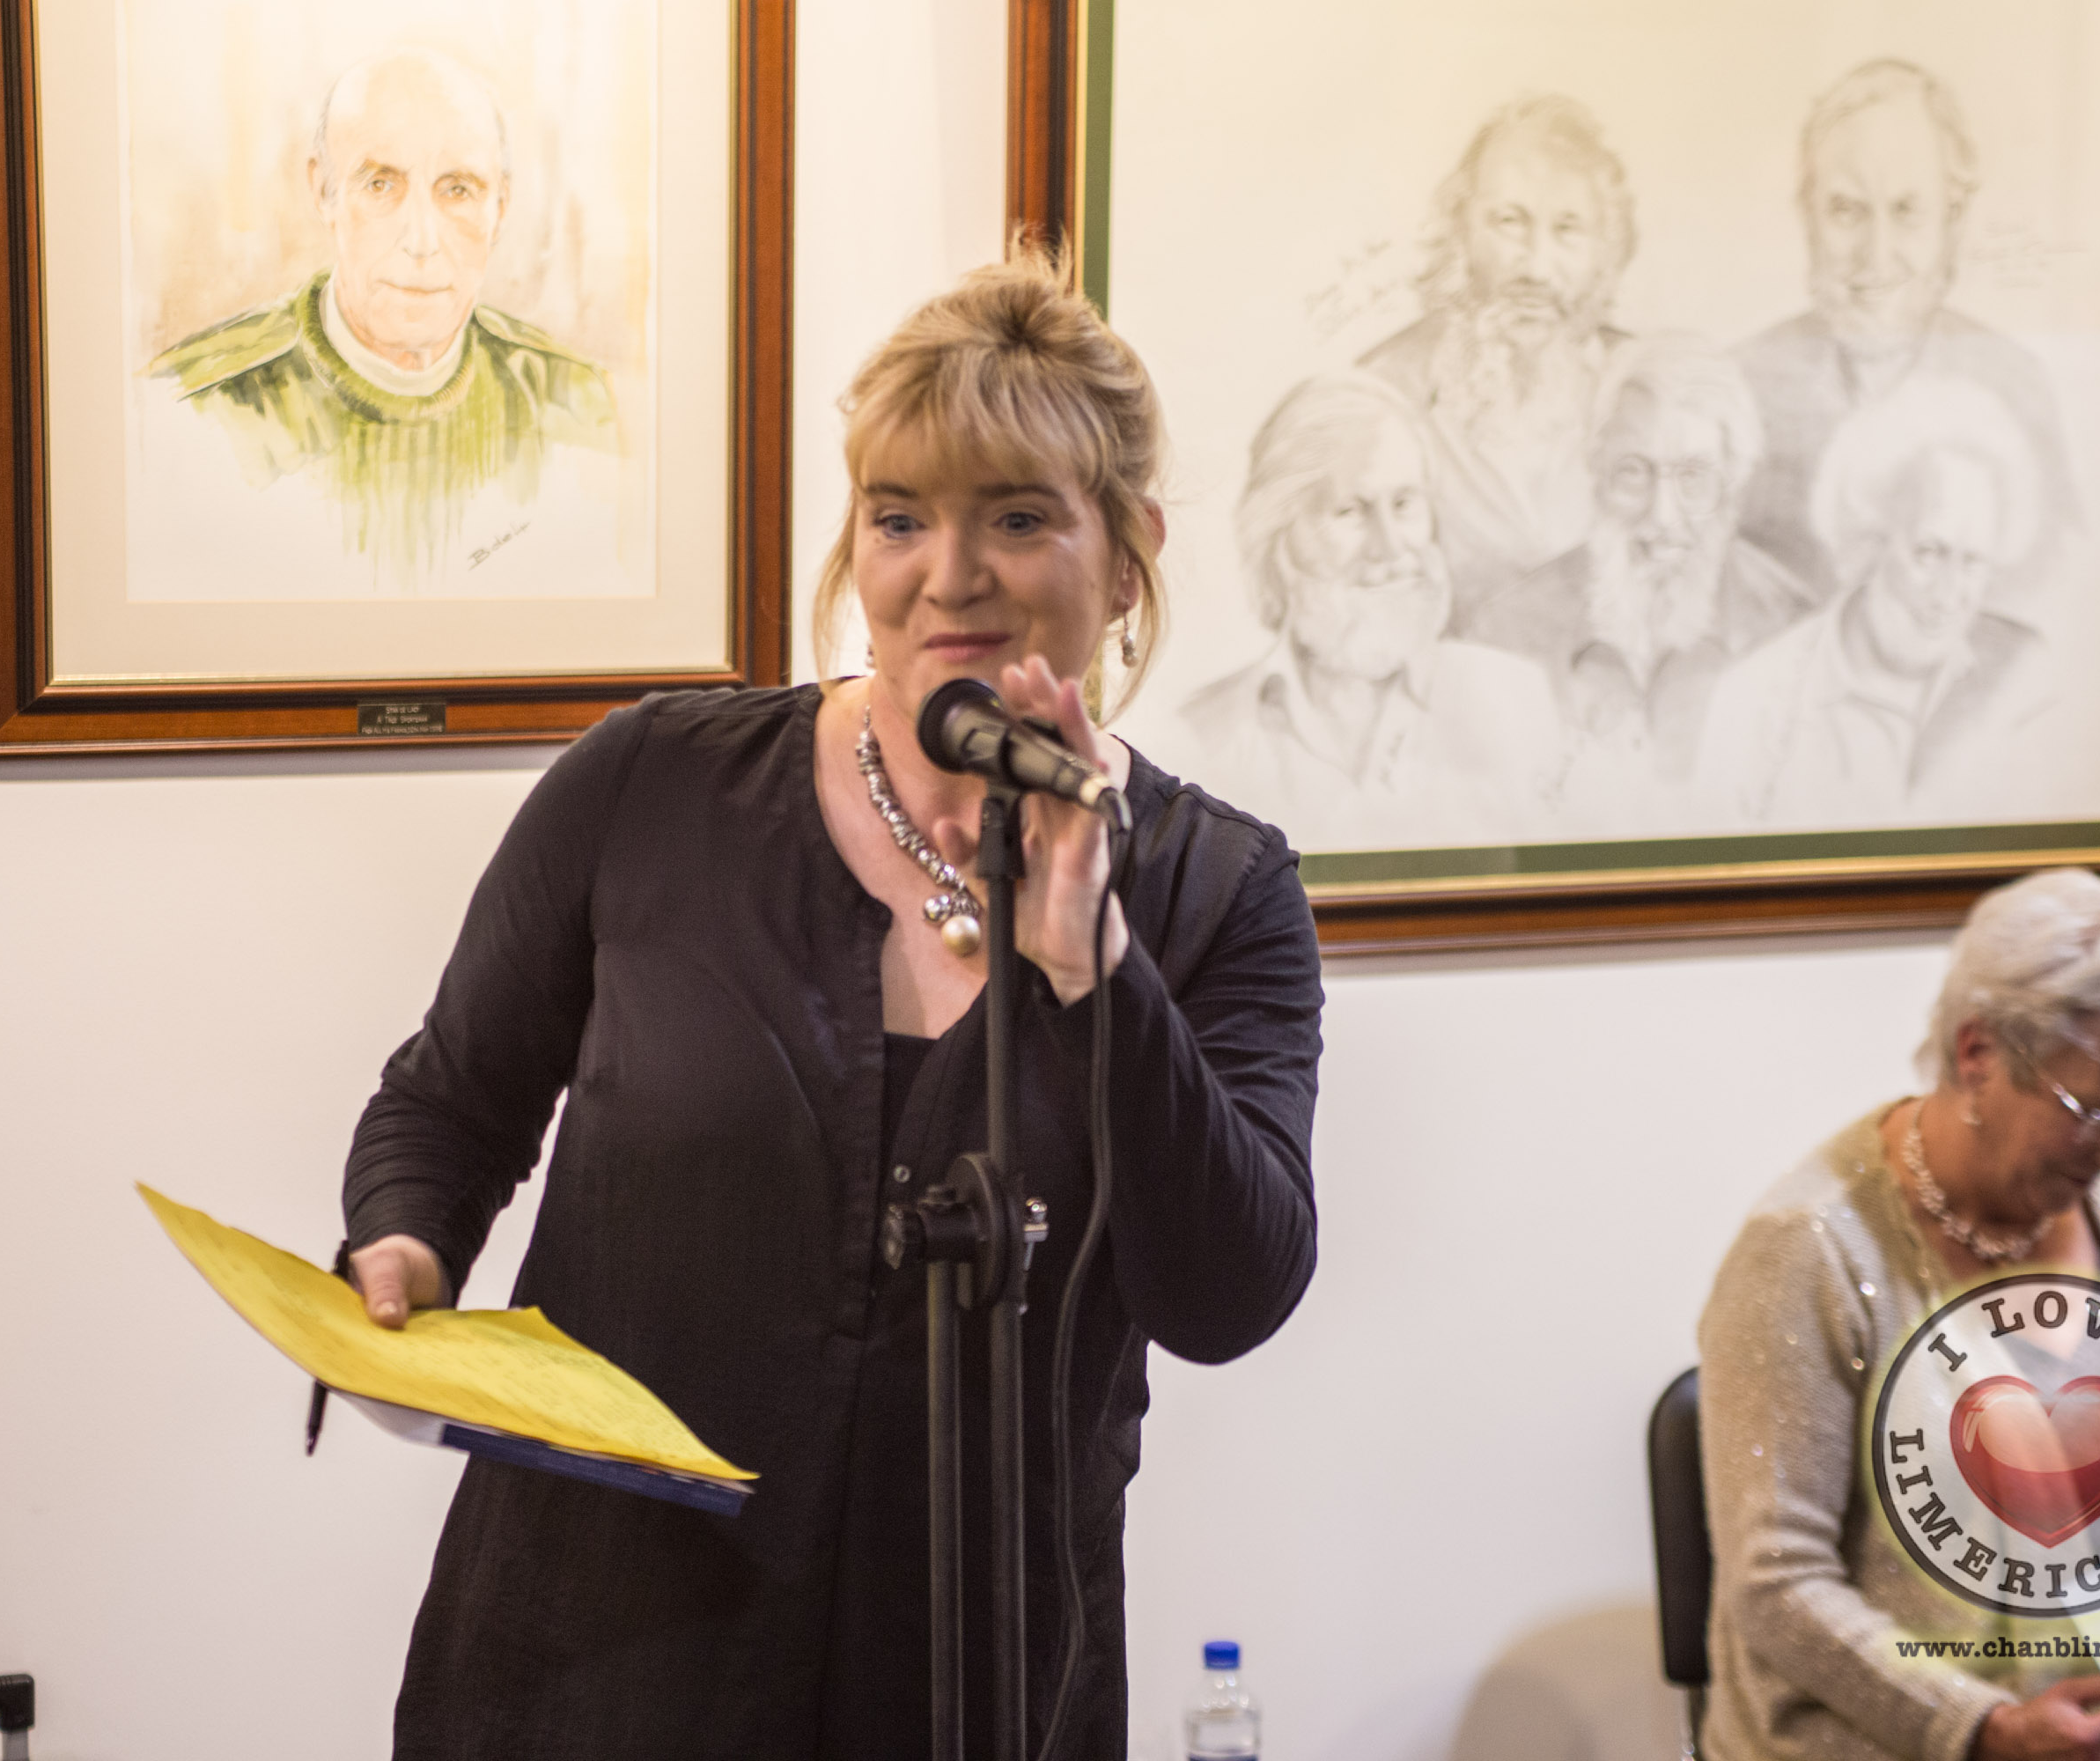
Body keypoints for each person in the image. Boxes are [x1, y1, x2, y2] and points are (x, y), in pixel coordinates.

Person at [336, 250, 1323, 1758]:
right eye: (901, 517)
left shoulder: (1216, 893)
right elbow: (452, 1100)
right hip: (592, 1659)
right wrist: (404, 1242)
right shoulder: (654, 784)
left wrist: (1098, 977)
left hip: (975, 1683)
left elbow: (1229, 1296)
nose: (952, 575)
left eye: (1017, 518)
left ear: (1128, 558)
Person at [1698, 870, 2100, 1761]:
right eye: (2097, 1110)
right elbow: (1777, 1586)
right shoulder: (1807, 1250)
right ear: (1978, 1053)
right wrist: (1984, 1726)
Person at [149, 49, 616, 576]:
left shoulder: (573, 399)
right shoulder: (196, 404)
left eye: (458, 190)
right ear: (323, 191)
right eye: (380, 185)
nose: (420, 242)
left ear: (500, 208)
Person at [1736, 58, 2077, 600]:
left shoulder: (2016, 388)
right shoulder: (1741, 388)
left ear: (1953, 220)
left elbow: (2049, 605)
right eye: (1846, 212)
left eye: (1907, 211)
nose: (1876, 256)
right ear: (1808, 216)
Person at [1178, 371, 1560, 848]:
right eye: (1350, 512)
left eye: (1404, 504)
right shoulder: (1202, 733)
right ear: (1277, 537)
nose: (1391, 547)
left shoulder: (1515, 701)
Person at [1468, 336, 1810, 826]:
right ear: (1596, 471)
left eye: (1693, 477)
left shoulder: (1789, 630)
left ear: (1733, 482)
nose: (1662, 516)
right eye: (1633, 473)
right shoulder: (1508, 629)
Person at [1698, 373, 2051, 828]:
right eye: (1929, 552)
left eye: (1973, 562)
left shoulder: (2029, 680)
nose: (1948, 595)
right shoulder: (1756, 702)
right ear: (1872, 539)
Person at [1361, 94, 1639, 625]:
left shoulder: (1645, 384)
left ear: (1605, 248)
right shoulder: (1386, 389)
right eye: (1509, 222)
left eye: (1567, 230)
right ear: (1462, 228)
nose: (1535, 268)